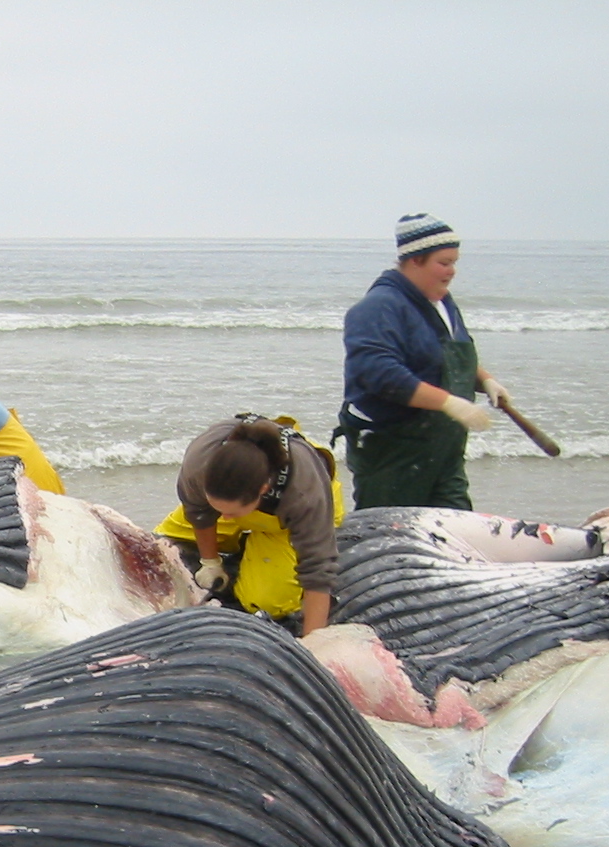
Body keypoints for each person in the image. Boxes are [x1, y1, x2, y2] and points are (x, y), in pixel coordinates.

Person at [339, 214, 514, 510]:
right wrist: (450, 403)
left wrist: (484, 379)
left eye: (454, 263)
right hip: (392, 452)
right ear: (414, 260)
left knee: (456, 531)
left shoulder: (443, 301)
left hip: (444, 452)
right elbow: (380, 374)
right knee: (388, 535)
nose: (452, 271)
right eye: (443, 263)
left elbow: (446, 354)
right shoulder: (378, 307)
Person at [154, 415, 343, 635]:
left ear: (263, 489)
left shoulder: (304, 494)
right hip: (237, 496)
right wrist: (210, 562)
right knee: (161, 545)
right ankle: (236, 538)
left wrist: (315, 642)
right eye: (218, 510)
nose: (223, 519)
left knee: (266, 602)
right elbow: (198, 512)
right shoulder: (199, 462)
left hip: (283, 522)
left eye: (229, 513)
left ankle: (250, 546)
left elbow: (317, 572)